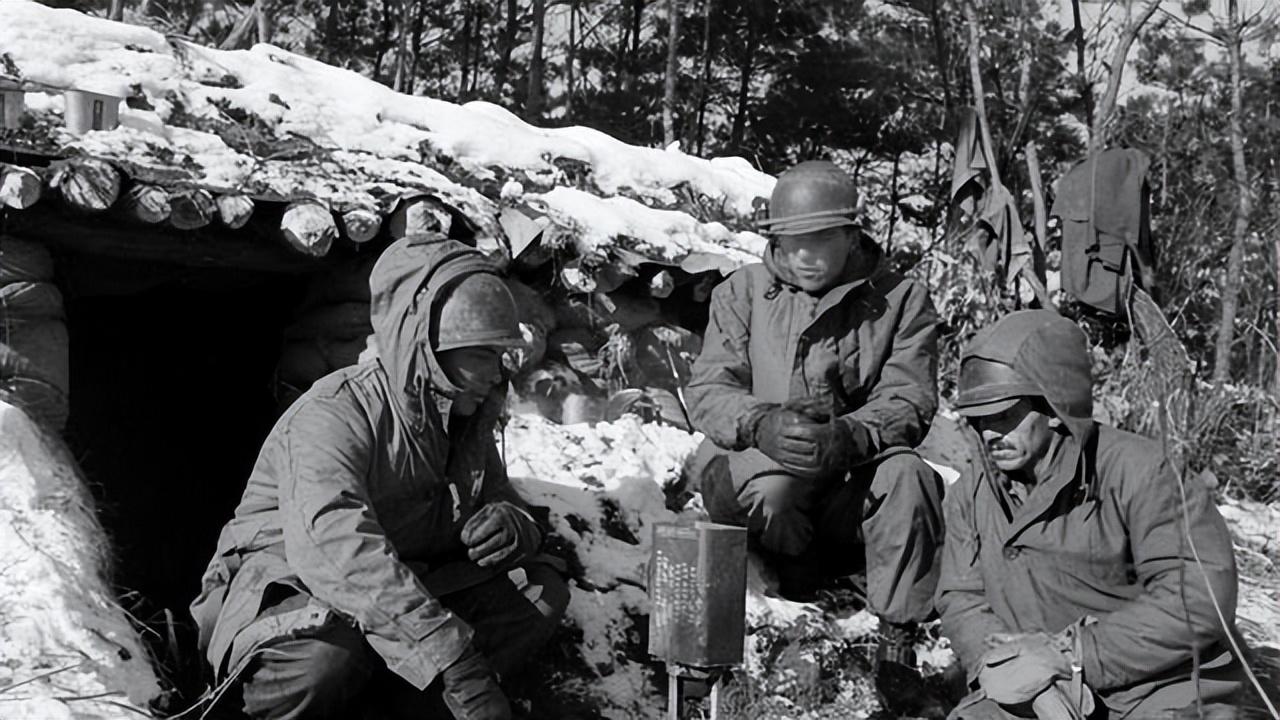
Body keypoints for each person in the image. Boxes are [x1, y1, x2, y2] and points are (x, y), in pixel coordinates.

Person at [190, 235, 569, 720]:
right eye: (481, 355)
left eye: (500, 356)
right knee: (324, 661)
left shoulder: (462, 418)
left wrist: (513, 523)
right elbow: (337, 550)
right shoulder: (333, 413)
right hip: (298, 587)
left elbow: (496, 494)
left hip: (399, 583)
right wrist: (454, 661)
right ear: (428, 347)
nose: (497, 374)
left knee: (538, 595)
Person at [685, 160, 945, 690]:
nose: (803, 255)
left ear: (851, 236)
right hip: (761, 471)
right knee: (772, 491)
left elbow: (910, 397)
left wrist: (852, 436)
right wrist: (760, 423)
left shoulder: (900, 300)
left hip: (851, 480)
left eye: (819, 239)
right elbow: (709, 389)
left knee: (910, 477)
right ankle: (797, 569)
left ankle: (898, 638)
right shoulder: (742, 292)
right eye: (790, 241)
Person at [938, 309, 1244, 719]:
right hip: (1031, 686)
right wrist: (1004, 670)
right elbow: (961, 596)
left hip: (1157, 689)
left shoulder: (1142, 472)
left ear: (1053, 408)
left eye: (1005, 415)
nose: (990, 432)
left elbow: (1198, 597)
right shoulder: (972, 492)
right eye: (979, 419)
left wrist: (1072, 654)